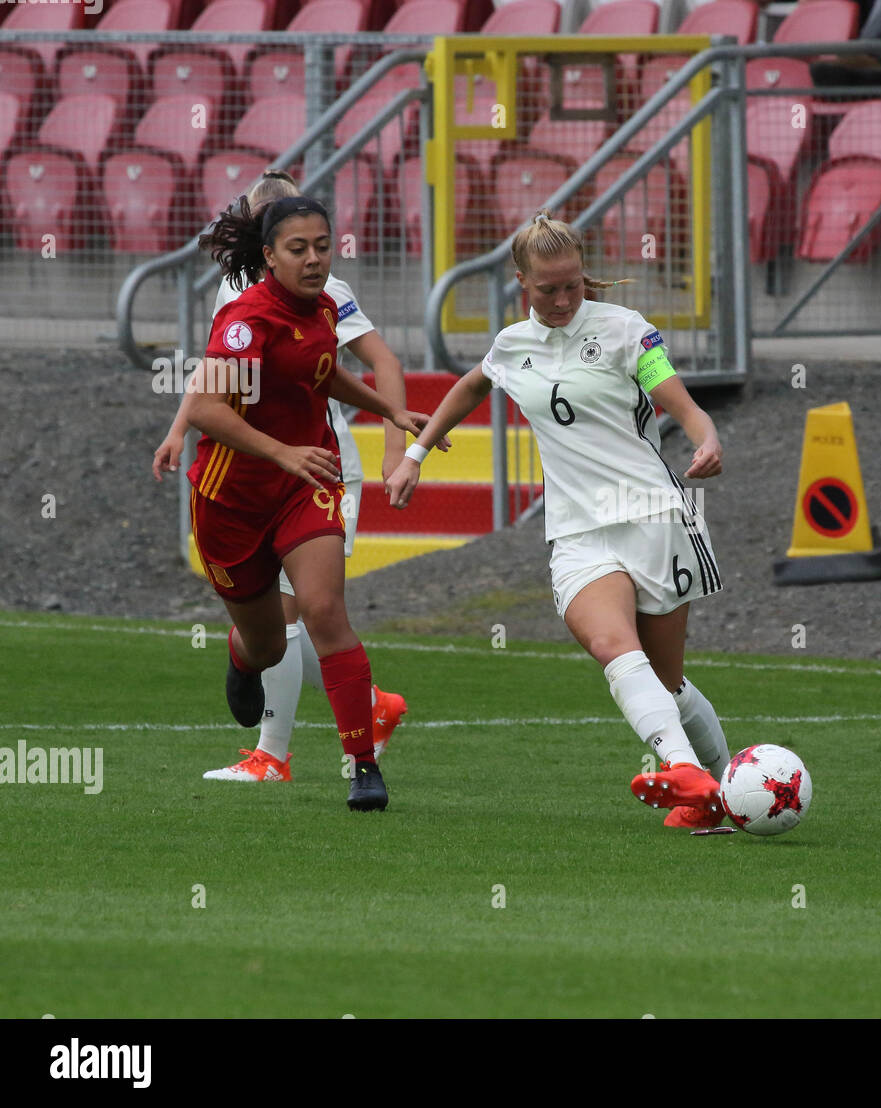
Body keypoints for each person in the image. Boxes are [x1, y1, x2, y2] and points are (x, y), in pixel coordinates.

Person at [386, 211, 731, 829]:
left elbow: (677, 398)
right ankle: (685, 769)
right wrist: (416, 453)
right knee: (609, 645)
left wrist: (706, 438)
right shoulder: (513, 344)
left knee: (669, 684)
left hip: (653, 518)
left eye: (574, 284)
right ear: (522, 280)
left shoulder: (629, 333)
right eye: (548, 289)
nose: (564, 298)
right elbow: (471, 385)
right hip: (577, 531)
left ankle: (717, 801)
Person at [154, 170, 411, 784]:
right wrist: (178, 428)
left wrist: (392, 427)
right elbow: (216, 384)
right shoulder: (239, 305)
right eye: (297, 245)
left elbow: (337, 367)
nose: (313, 256)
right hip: (235, 490)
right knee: (270, 638)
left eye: (321, 243)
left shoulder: (328, 299)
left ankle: (343, 763)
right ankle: (263, 670)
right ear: (266, 247)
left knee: (320, 610)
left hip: (313, 471)